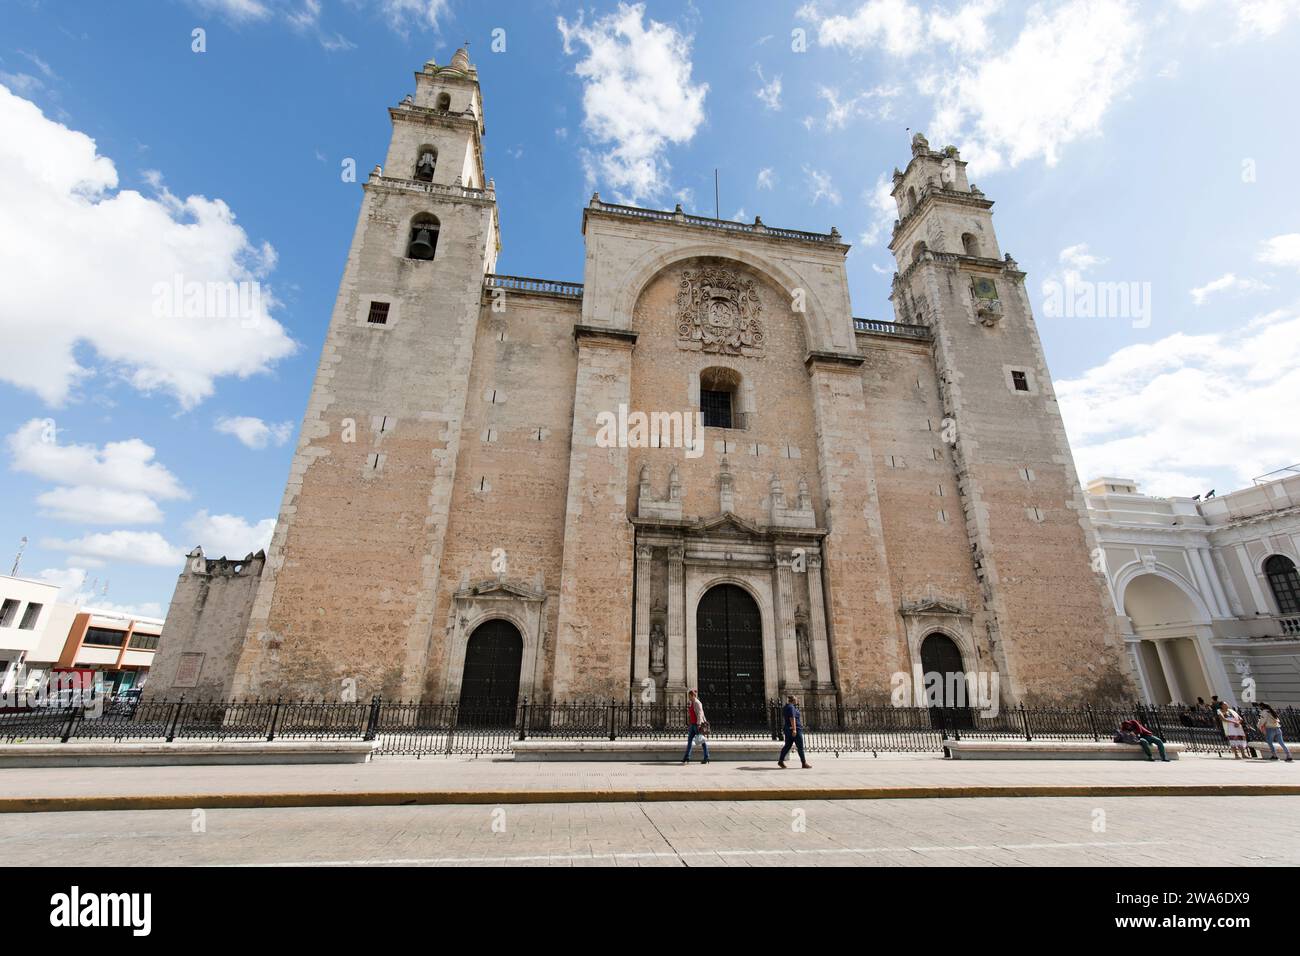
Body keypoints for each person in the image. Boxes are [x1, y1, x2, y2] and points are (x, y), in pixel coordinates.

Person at [777, 694, 811, 769]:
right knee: (800, 747)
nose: (797, 701)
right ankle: (804, 763)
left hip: (787, 729)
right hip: (795, 730)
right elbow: (792, 718)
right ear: (793, 700)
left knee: (787, 746)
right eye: (796, 699)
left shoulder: (786, 707)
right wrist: (794, 729)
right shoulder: (791, 707)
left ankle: (780, 761)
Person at [681, 689, 710, 764]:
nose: (689, 697)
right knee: (690, 741)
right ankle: (687, 757)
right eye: (688, 696)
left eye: (690, 696)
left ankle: (706, 757)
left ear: (693, 695)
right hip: (692, 725)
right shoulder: (692, 703)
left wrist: (699, 724)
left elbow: (700, 714)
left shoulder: (697, 703)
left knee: (702, 741)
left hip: (697, 725)